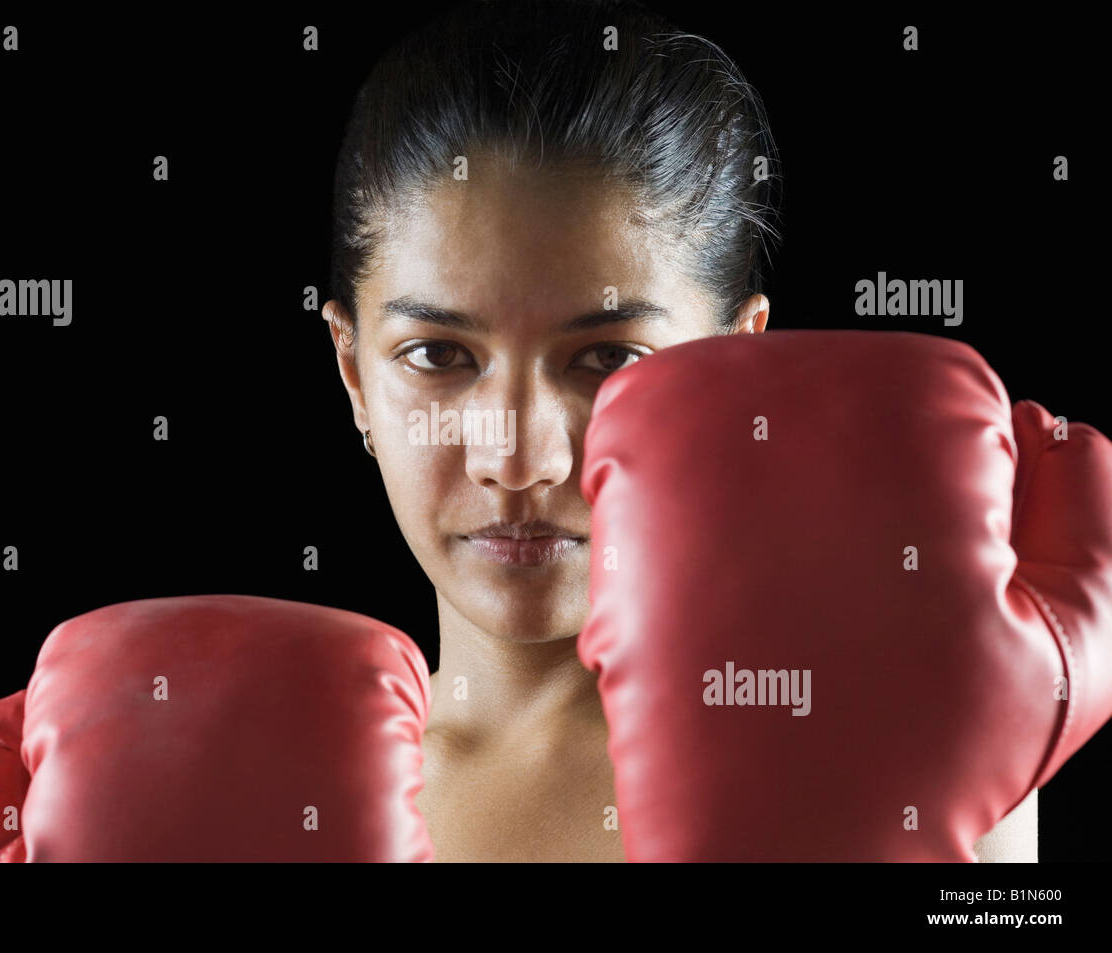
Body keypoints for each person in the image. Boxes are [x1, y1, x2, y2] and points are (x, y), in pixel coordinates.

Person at [321, 0, 1037, 861]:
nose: (518, 459)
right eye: (438, 352)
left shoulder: (869, 733)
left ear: (736, 371)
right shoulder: (283, 787)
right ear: (354, 370)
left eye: (609, 360)